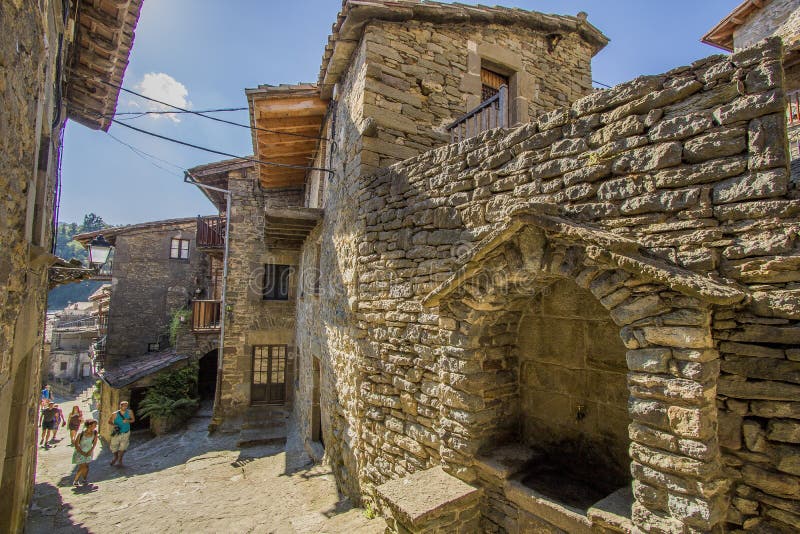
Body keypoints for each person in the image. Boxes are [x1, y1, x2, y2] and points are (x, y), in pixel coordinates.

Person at [72, 419, 98, 486]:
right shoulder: (81, 434)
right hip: (80, 452)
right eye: (94, 425)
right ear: (89, 425)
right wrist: (82, 452)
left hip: (89, 452)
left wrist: (90, 451)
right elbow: (76, 444)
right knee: (83, 467)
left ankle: (84, 480)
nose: (95, 426)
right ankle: (76, 480)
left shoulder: (95, 433)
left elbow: (94, 443)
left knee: (86, 466)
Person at [108, 400, 135, 467]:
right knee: (114, 446)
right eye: (123, 406)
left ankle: (120, 460)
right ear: (120, 406)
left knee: (123, 447)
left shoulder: (130, 412)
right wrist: (114, 425)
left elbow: (133, 420)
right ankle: (115, 457)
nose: (125, 407)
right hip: (117, 432)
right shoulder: (115, 414)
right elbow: (109, 421)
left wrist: (127, 420)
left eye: (126, 406)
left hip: (126, 432)